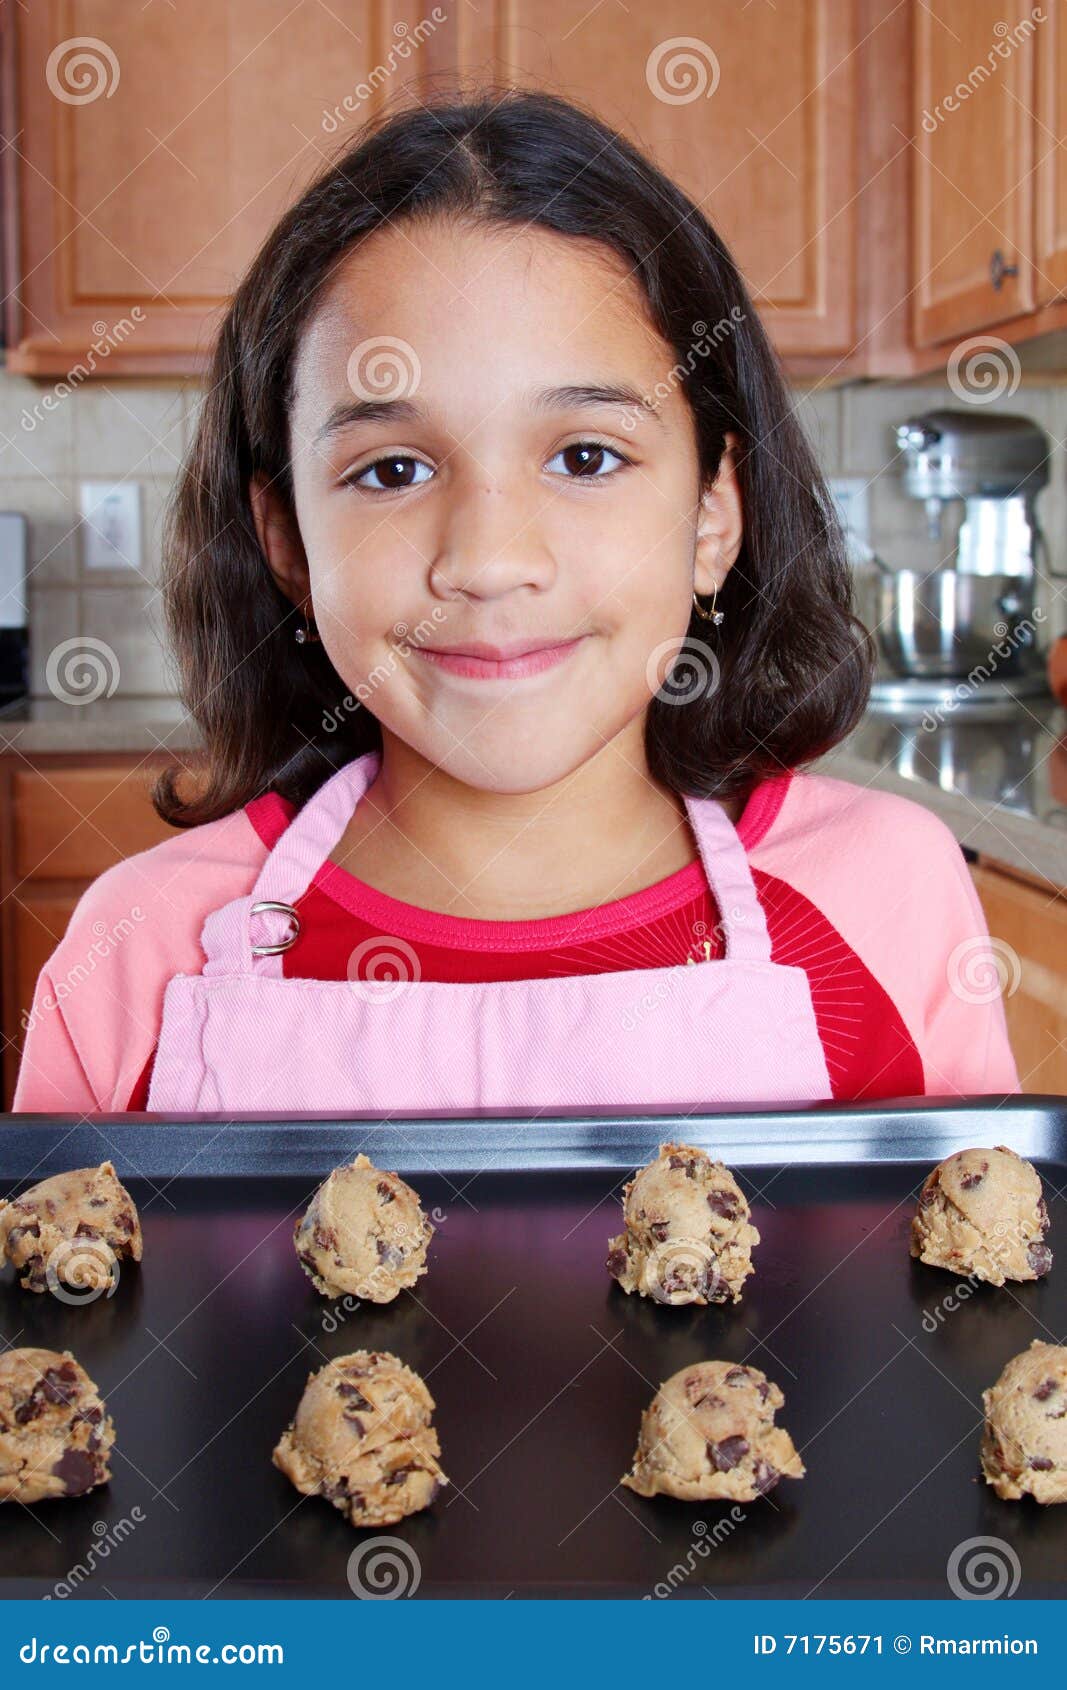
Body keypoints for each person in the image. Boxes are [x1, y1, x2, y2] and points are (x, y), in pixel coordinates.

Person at [14, 87, 1018, 1116]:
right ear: (288, 545)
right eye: (392, 471)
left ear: (714, 513)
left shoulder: (884, 898)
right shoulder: (141, 951)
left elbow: (982, 1259)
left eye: (586, 456)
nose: (490, 560)